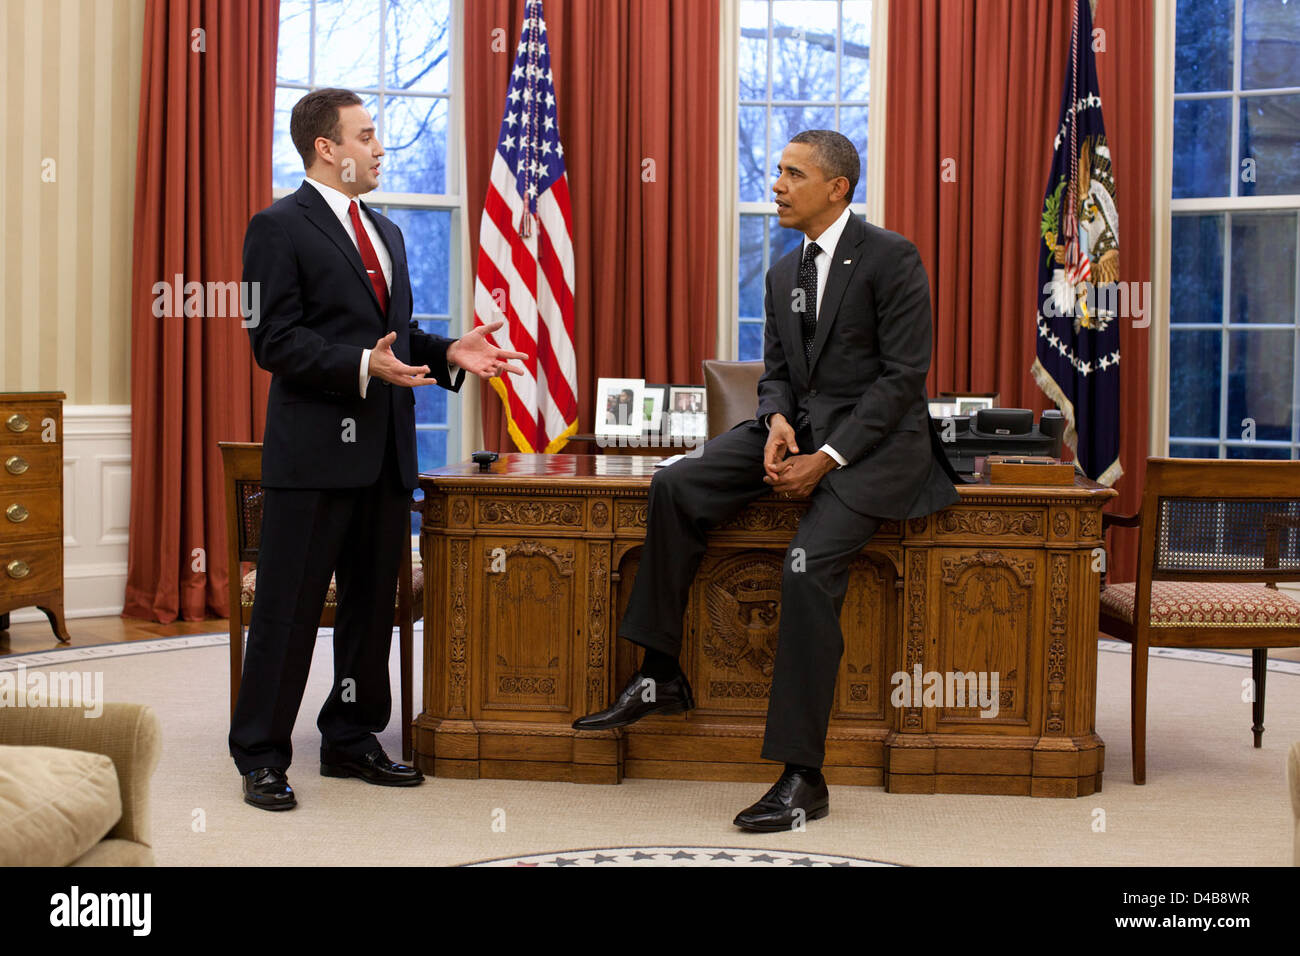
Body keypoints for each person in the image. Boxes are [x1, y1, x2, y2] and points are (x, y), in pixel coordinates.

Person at [572, 130, 960, 831]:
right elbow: (777, 370)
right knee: (676, 485)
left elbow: (903, 379)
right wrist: (778, 420)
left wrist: (827, 457)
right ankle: (660, 671)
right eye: (778, 172)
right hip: (799, 430)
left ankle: (803, 775)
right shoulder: (784, 273)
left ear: (837, 187)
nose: (776, 185)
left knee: (805, 568)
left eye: (792, 173)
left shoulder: (892, 257)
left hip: (874, 448)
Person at [230, 88, 526, 811]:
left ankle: (352, 738)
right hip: (313, 460)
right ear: (326, 149)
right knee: (287, 611)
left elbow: (399, 334)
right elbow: (272, 341)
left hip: (385, 456)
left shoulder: (387, 235)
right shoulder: (274, 228)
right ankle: (262, 756)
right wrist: (365, 365)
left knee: (371, 609)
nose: (379, 148)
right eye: (367, 136)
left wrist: (450, 350)